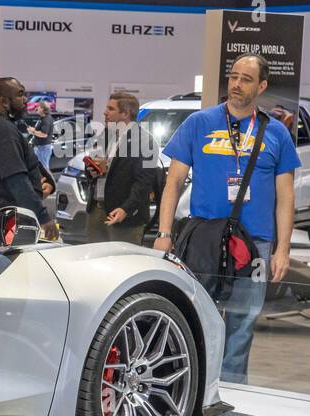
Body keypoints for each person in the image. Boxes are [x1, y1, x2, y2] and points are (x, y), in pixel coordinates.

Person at [155, 54, 301, 383]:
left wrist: (282, 250)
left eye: (246, 79)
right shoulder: (199, 123)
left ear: (262, 86)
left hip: (256, 245)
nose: (236, 84)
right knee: (195, 319)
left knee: (243, 325)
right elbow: (173, 182)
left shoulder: (276, 133)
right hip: (204, 238)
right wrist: (164, 232)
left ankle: (233, 394)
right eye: (233, 76)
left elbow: (286, 196)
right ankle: (190, 388)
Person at [0, 77, 58, 239]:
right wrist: (44, 218)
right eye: (20, 94)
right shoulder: (3, 130)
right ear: (4, 102)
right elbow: (16, 180)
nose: (25, 99)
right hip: (0, 219)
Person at [83, 91, 156, 245]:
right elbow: (97, 166)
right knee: (94, 264)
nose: (105, 112)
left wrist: (126, 209)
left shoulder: (144, 141)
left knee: (123, 265)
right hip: (96, 211)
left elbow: (144, 182)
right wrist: (92, 169)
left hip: (124, 216)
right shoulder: (106, 135)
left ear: (125, 113)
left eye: (110, 109)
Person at [28, 100, 55, 168]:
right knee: (39, 168)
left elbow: (44, 134)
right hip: (39, 147)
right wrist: (32, 130)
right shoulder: (42, 118)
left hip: (43, 148)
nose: (37, 108)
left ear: (42, 109)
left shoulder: (46, 119)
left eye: (38, 107)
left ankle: (47, 179)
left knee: (44, 168)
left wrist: (33, 131)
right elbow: (38, 131)